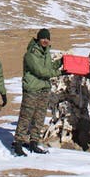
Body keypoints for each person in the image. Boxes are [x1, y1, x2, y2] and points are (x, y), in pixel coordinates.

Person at [13, 28, 63, 157]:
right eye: (43, 38)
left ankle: (33, 142)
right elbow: (41, 71)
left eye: (47, 38)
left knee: (39, 118)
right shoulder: (31, 54)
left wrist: (61, 63)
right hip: (32, 89)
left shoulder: (46, 53)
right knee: (26, 116)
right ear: (38, 39)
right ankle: (18, 142)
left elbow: (49, 68)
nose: (45, 41)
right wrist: (59, 73)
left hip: (44, 89)